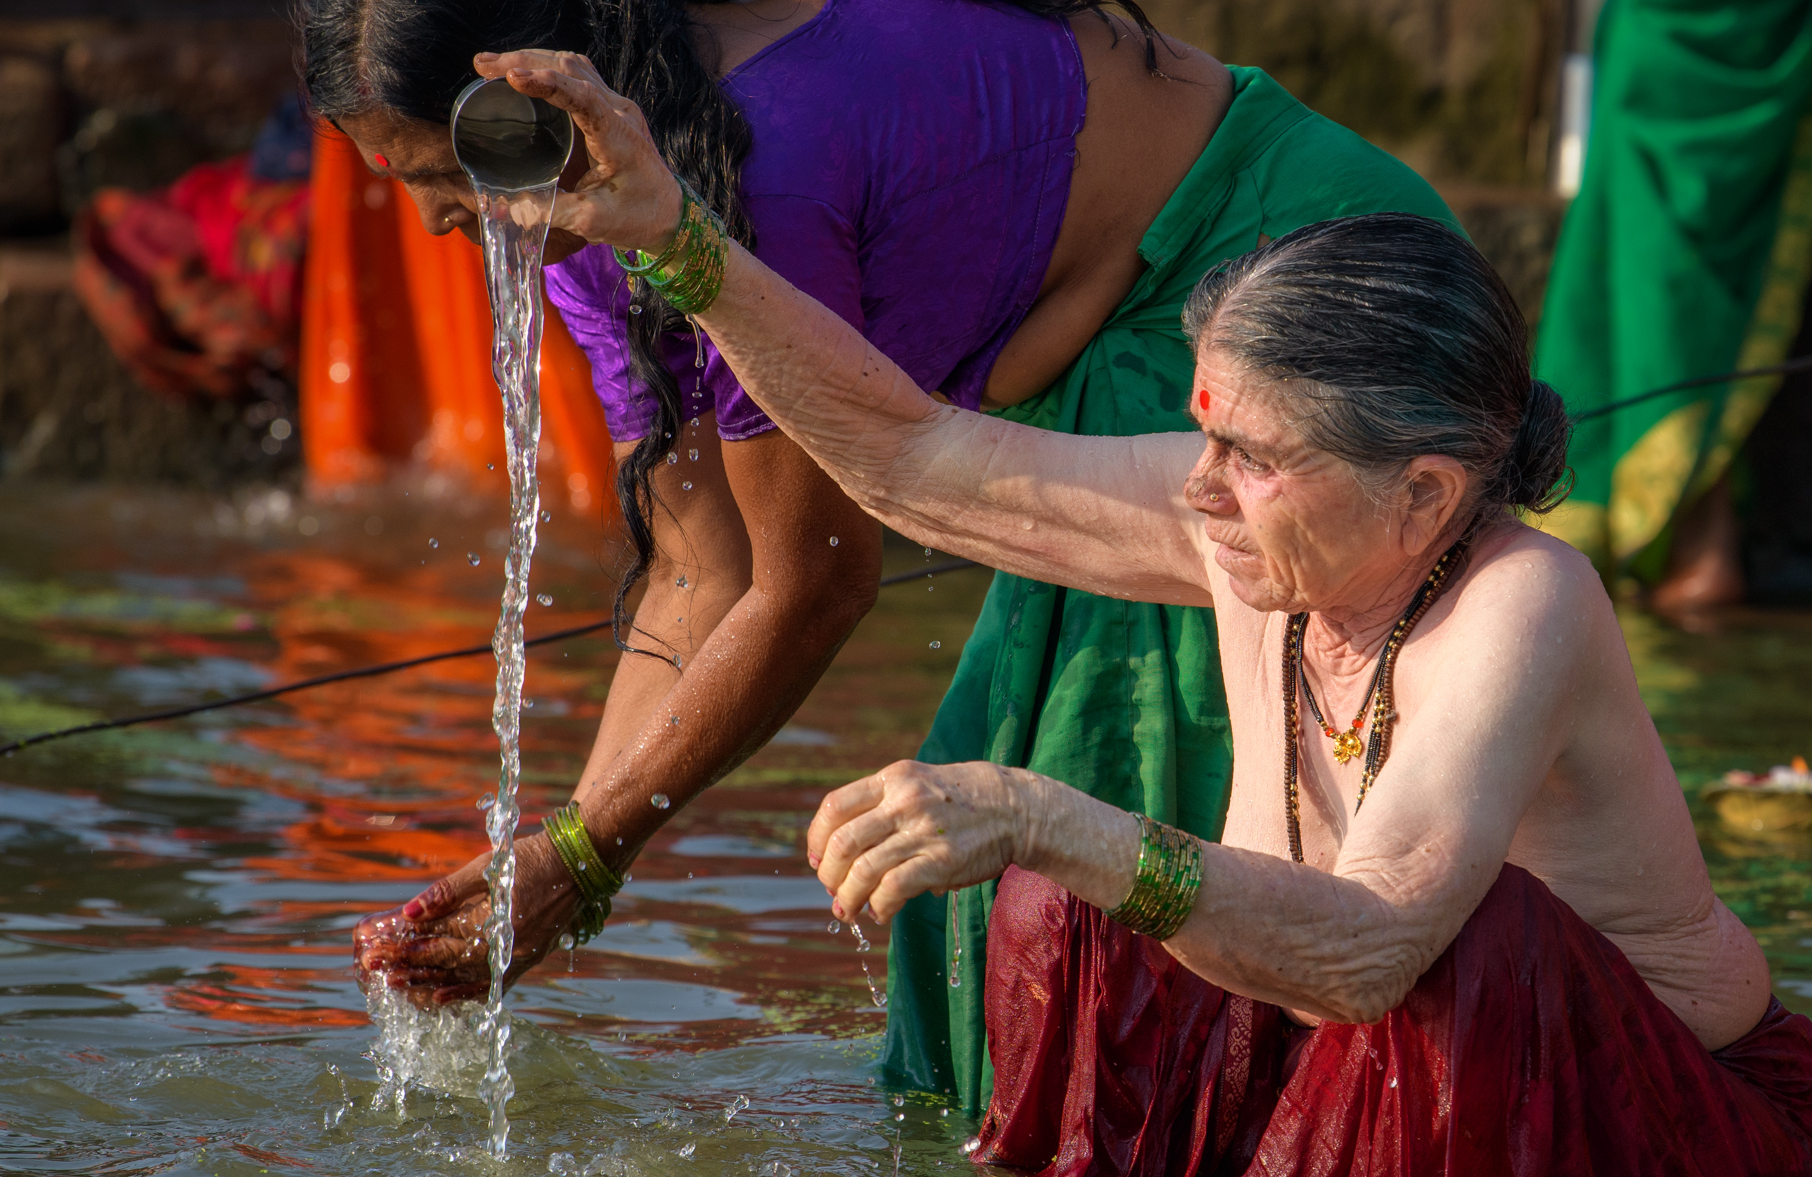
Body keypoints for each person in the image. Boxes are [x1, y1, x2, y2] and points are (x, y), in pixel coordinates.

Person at [467, 57, 1812, 1177]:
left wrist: (1044, 814)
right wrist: (678, 238)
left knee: (1438, 933)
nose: (1205, 490)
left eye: (1255, 456)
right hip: (1354, 1078)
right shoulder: (1243, 533)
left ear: (1426, 495)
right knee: (1072, 913)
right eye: (1206, 435)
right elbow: (913, 457)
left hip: (1642, 1140)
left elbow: (1372, 957)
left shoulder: (1525, 601)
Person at [319, 1, 1454, 1103]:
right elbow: (697, 569)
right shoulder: (585, 209)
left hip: (1280, 283)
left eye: (437, 177)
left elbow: (813, 579)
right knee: (978, 907)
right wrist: (559, 852)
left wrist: (588, 855)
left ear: (525, 114)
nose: (427, 224)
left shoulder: (756, 170)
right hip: (1089, 341)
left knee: (1082, 853)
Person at [1534, 0, 1812, 611]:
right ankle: (1702, 535)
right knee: (1658, 282)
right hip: (1739, 41)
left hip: (1673, 44)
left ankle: (1695, 538)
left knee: (1647, 280)